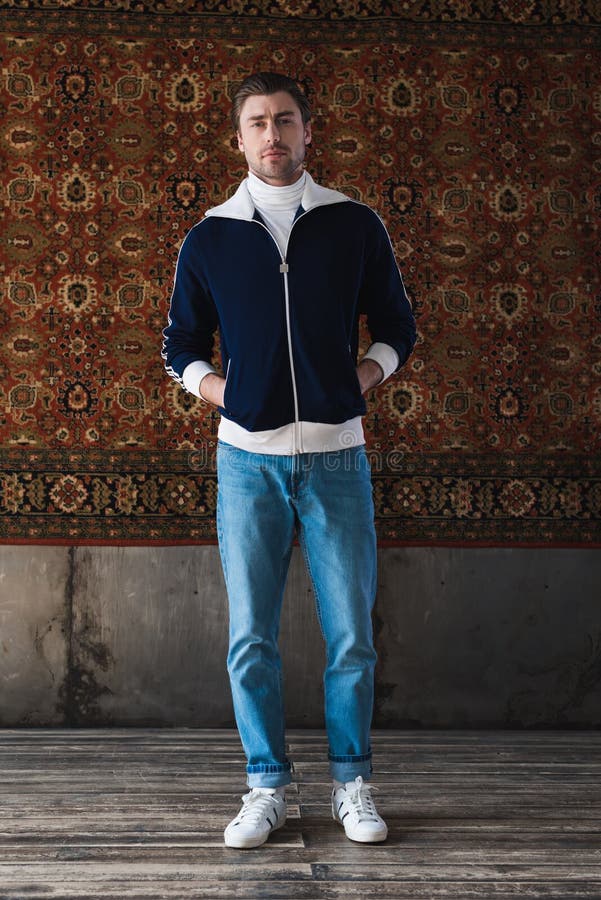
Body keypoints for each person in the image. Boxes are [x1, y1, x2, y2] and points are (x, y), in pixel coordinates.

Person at [162, 72, 416, 849]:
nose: (271, 134)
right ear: (237, 137)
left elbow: (397, 326)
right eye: (256, 122)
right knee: (251, 638)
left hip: (337, 458)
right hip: (248, 462)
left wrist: (359, 379)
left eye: (284, 120)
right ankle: (266, 786)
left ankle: (352, 784)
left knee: (351, 637)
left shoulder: (353, 224)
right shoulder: (210, 237)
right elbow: (179, 345)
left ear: (308, 131)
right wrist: (225, 396)